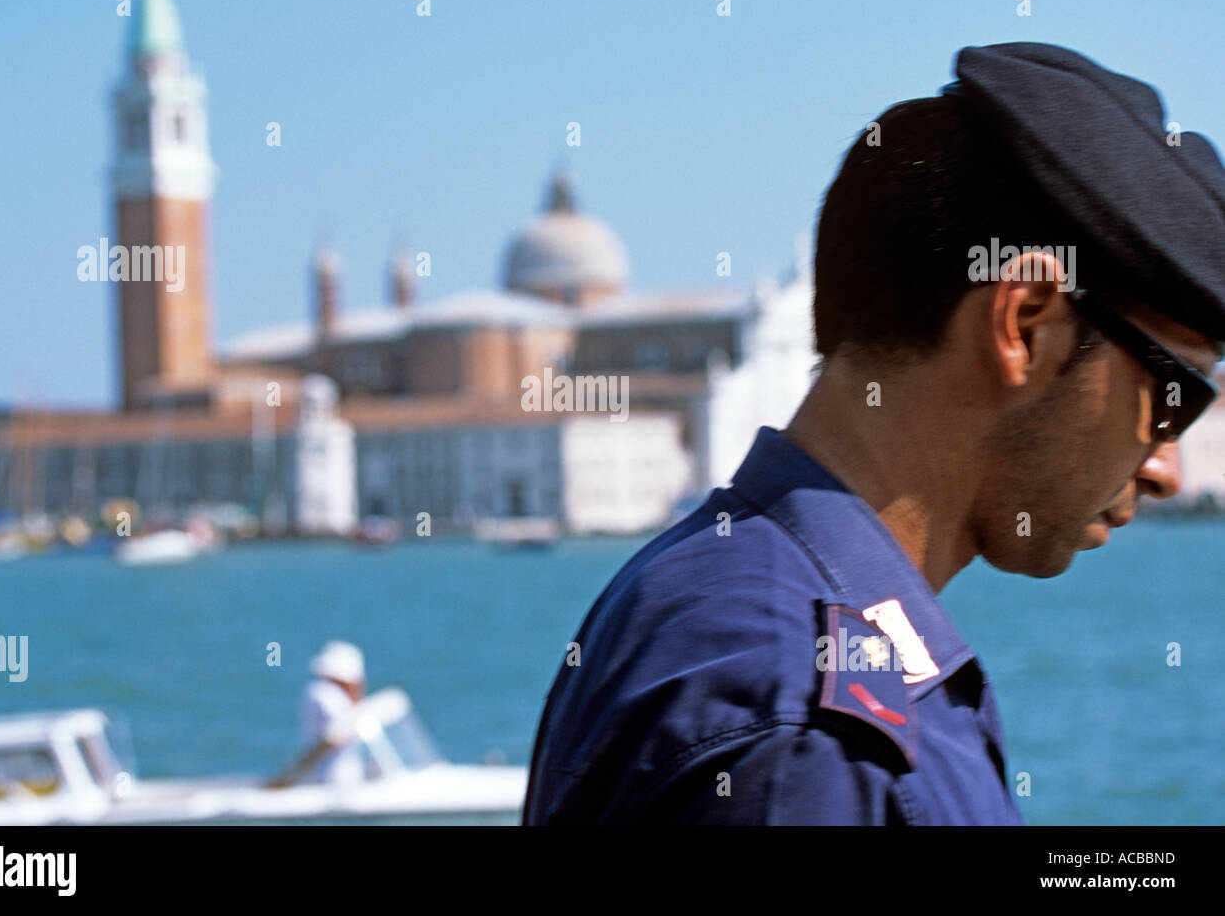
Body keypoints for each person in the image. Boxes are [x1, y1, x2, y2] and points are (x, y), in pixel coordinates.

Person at [523, 42, 1225, 824]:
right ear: (1024, 323)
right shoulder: (812, 740)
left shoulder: (709, 591)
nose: (1168, 466)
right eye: (1173, 397)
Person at [269, 641, 367, 787]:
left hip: (339, 778)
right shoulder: (324, 693)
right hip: (332, 780)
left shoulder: (324, 692)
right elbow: (336, 735)